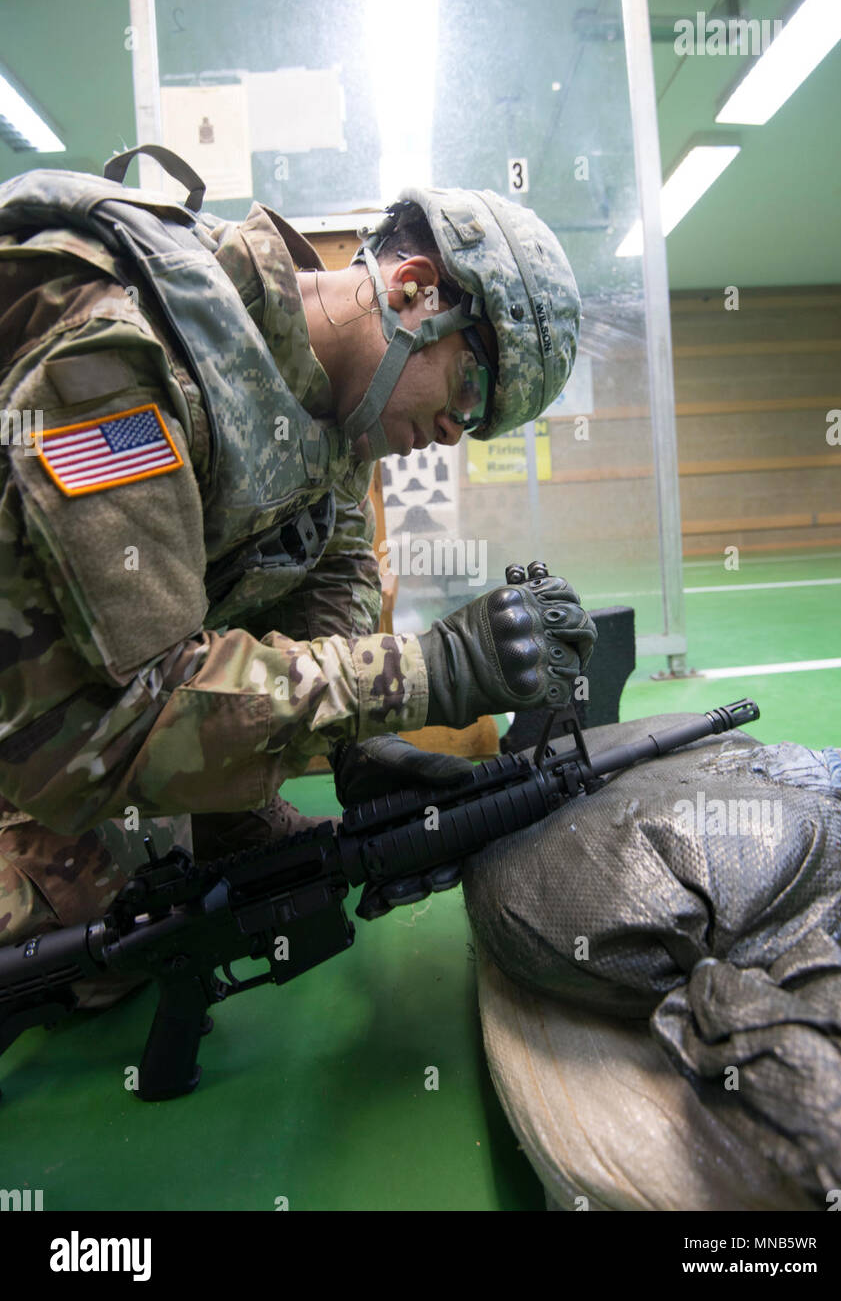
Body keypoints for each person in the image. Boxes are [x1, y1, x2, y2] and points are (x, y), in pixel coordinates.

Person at [0, 147, 596, 990]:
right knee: (94, 925)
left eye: (481, 422)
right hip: (53, 726)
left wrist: (358, 740)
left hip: (85, 684)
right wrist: (427, 675)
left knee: (230, 880)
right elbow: (121, 721)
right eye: (470, 385)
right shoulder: (115, 371)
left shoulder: (333, 407)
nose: (456, 429)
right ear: (413, 290)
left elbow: (336, 564)